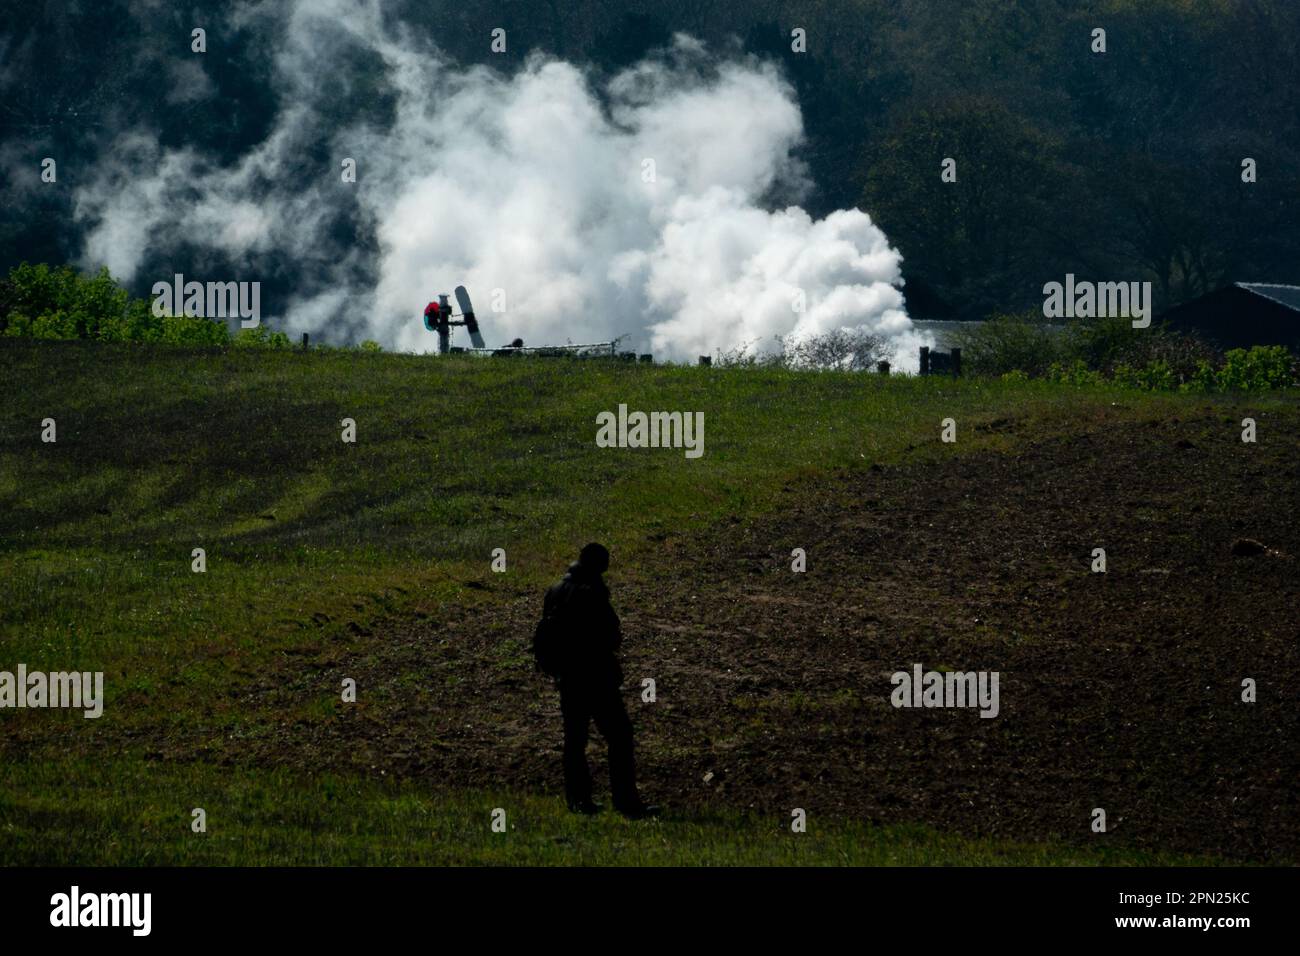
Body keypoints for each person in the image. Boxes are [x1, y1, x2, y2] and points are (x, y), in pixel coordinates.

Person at [541, 543, 657, 818]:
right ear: (599, 565)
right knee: (620, 736)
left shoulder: (556, 590)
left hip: (568, 678)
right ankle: (626, 802)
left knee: (574, 740)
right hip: (597, 678)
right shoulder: (592, 592)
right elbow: (610, 635)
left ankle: (579, 800)